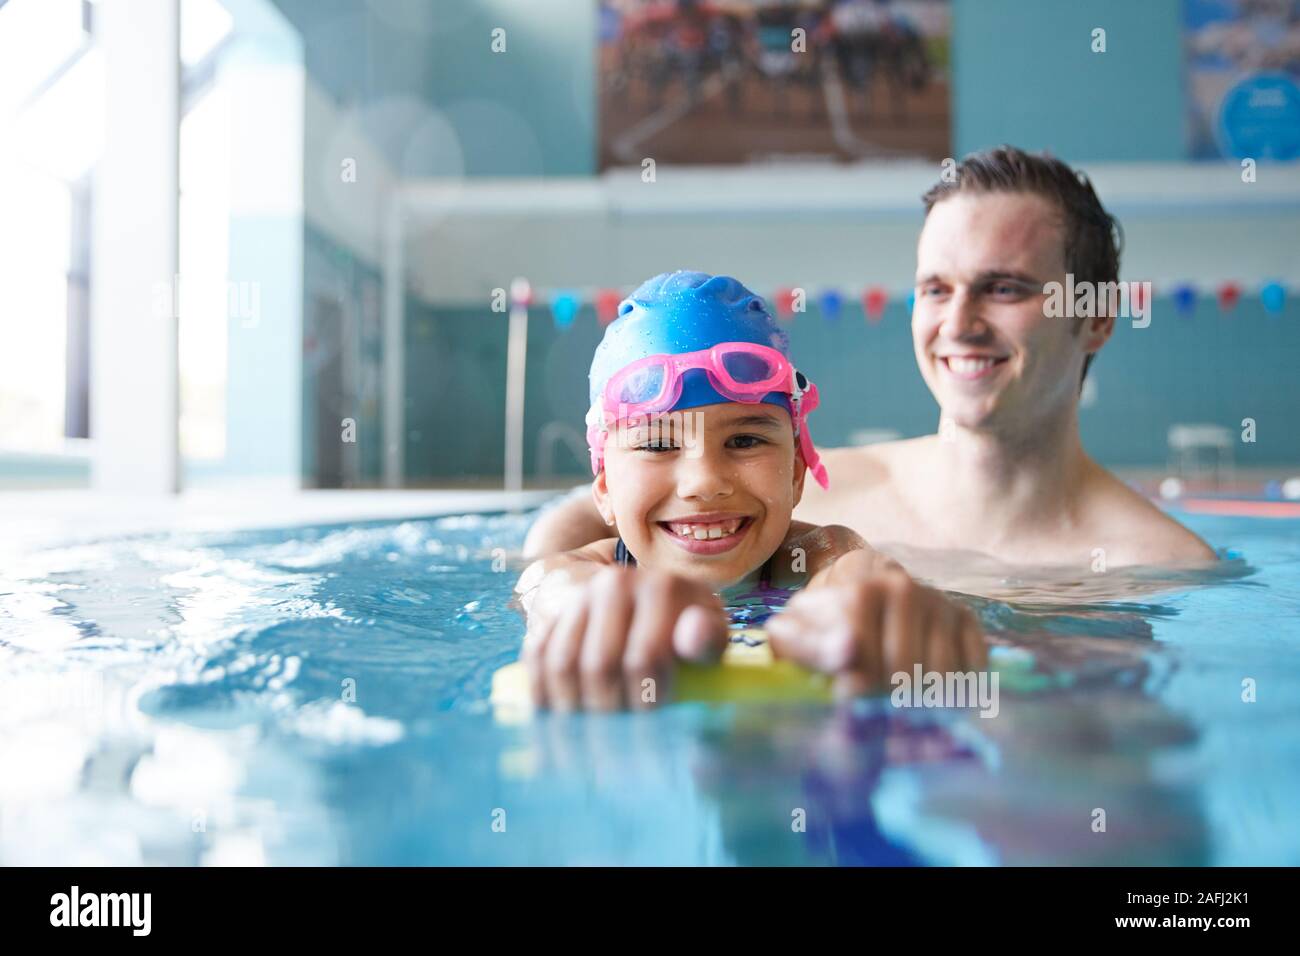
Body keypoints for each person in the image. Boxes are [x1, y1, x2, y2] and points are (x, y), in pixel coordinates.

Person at [524, 147, 1215, 580]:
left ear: (1095, 315)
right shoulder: (819, 483)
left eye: (1003, 288)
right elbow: (594, 514)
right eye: (935, 289)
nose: (959, 323)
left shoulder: (1158, 565)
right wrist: (550, 588)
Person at [515, 271, 985, 712]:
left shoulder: (814, 555)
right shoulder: (577, 568)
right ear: (604, 491)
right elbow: (550, 587)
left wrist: (874, 602)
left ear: (797, 473)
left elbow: (852, 573)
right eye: (657, 444)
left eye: (744, 441)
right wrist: (589, 608)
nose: (704, 482)